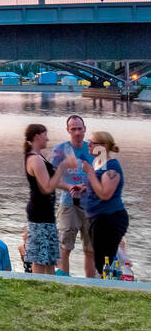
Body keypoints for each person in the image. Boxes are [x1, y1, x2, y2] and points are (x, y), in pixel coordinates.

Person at [24, 122, 75, 275]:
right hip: (39, 213)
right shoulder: (35, 159)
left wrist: (71, 187)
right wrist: (63, 166)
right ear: (37, 136)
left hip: (46, 212)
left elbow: (53, 181)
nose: (47, 139)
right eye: (45, 135)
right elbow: (46, 187)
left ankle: (51, 287)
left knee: (49, 257)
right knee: (40, 258)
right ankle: (39, 288)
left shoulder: (40, 158)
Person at [52, 115, 95, 277]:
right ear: (68, 130)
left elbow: (105, 175)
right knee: (65, 247)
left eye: (80, 129)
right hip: (68, 204)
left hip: (91, 205)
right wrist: (69, 186)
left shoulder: (96, 149)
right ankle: (65, 283)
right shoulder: (59, 150)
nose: (77, 132)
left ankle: (91, 285)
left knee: (91, 249)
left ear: (85, 129)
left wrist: (85, 186)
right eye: (73, 129)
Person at [79, 130, 127, 277]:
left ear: (104, 146)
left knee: (103, 260)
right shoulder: (98, 162)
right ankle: (107, 284)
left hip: (110, 218)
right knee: (100, 258)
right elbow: (97, 185)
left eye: (93, 142)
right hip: (97, 217)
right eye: (89, 141)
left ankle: (110, 288)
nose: (89, 145)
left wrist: (90, 173)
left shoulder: (112, 167)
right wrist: (83, 188)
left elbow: (105, 194)